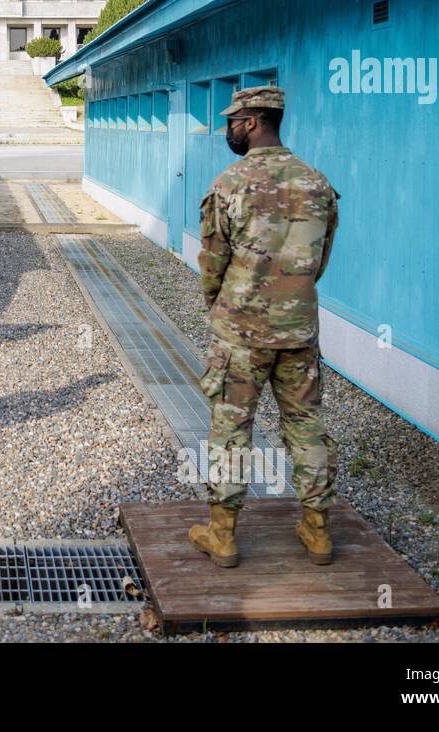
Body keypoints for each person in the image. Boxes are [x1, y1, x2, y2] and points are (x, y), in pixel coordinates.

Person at [189, 85, 340, 568]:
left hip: (241, 333)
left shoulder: (231, 184)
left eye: (233, 120)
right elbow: (319, 260)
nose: (228, 128)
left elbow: (212, 262)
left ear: (252, 121)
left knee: (232, 430)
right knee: (306, 426)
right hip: (298, 330)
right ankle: (317, 532)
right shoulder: (317, 183)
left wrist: (219, 306)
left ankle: (224, 535)